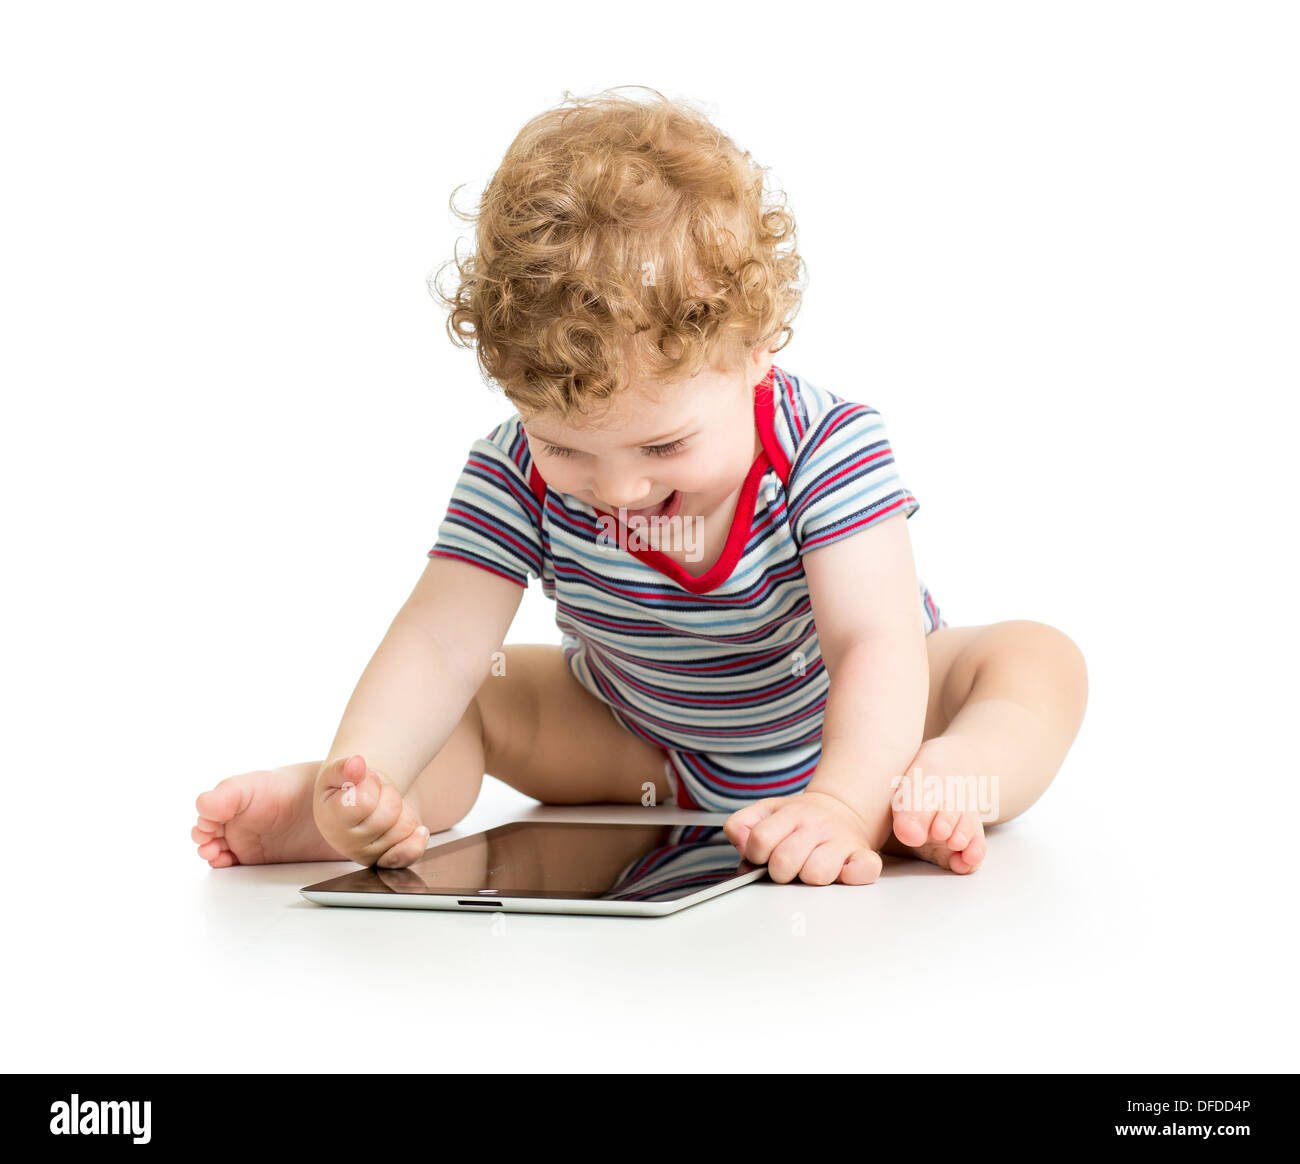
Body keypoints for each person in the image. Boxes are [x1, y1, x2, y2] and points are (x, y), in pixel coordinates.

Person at [192, 87, 1087, 886]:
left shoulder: (826, 447)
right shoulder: (509, 472)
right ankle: (340, 807)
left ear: (754, 355)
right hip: (651, 739)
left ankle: (946, 784)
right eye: (569, 450)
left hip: (876, 727)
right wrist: (369, 759)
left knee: (1034, 662)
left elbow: (872, 644)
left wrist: (846, 804)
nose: (616, 491)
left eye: (662, 443)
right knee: (479, 700)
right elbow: (435, 644)